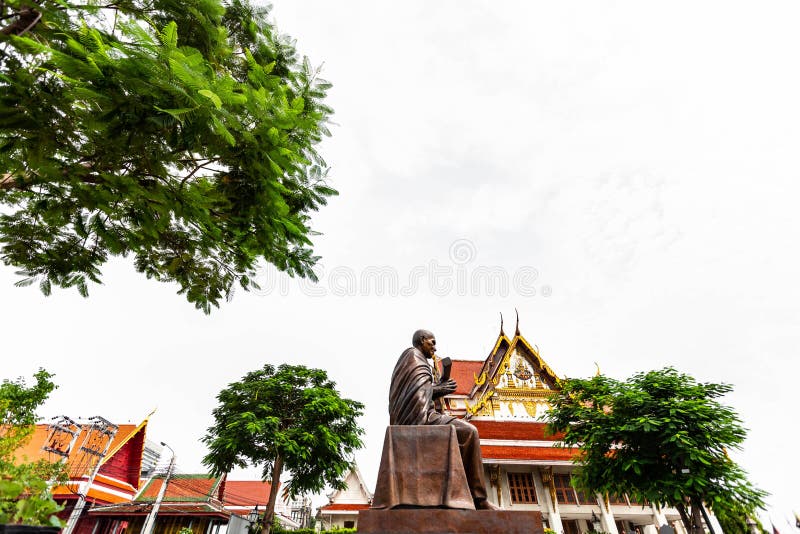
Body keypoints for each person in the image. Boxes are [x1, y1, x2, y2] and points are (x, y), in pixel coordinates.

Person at [389, 329, 498, 510]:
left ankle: (467, 495)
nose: (435, 347)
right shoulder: (413, 357)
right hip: (419, 418)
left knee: (466, 431)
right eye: (432, 342)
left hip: (424, 414)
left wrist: (439, 387)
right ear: (422, 340)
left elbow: (420, 391)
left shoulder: (419, 361)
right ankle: (479, 499)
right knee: (470, 432)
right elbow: (415, 394)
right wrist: (440, 389)